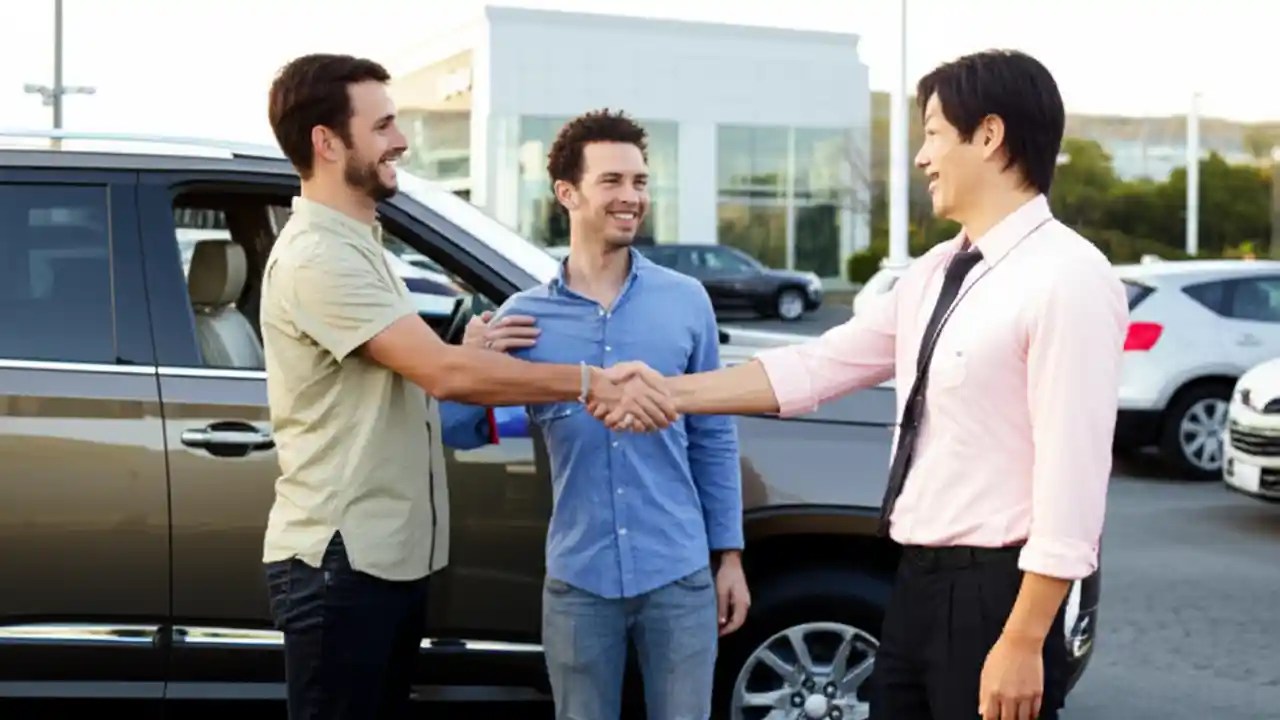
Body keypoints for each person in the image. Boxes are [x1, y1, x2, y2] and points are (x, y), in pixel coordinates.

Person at [599, 50, 1128, 720]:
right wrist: (669, 392)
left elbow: (1073, 481)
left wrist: (1023, 638)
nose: (922, 157)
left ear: (989, 135)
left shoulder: (1069, 277)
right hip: (915, 582)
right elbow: (821, 366)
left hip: (998, 592)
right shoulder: (938, 271)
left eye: (934, 133)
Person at [257, 55, 675, 720]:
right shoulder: (321, 256)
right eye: (385, 125)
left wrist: (459, 351)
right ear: (327, 142)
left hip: (380, 559)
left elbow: (408, 373)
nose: (402, 141)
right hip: (342, 566)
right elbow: (445, 376)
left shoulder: (360, 242)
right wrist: (592, 379)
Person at [461, 109, 751, 719]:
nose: (632, 197)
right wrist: (469, 365)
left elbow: (714, 435)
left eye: (641, 182)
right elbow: (463, 426)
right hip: (579, 579)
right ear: (567, 193)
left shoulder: (685, 301)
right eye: (613, 181)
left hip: (678, 573)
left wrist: (729, 556)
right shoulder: (523, 317)